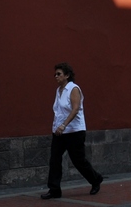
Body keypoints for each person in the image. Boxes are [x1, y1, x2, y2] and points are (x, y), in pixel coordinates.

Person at [41, 63, 103, 200]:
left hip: (74, 131)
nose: (56, 76)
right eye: (55, 74)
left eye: (59, 74)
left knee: (78, 161)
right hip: (59, 132)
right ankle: (54, 189)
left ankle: (95, 179)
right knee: (54, 160)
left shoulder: (73, 89)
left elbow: (75, 109)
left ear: (67, 75)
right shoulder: (58, 90)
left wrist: (64, 125)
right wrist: (58, 126)